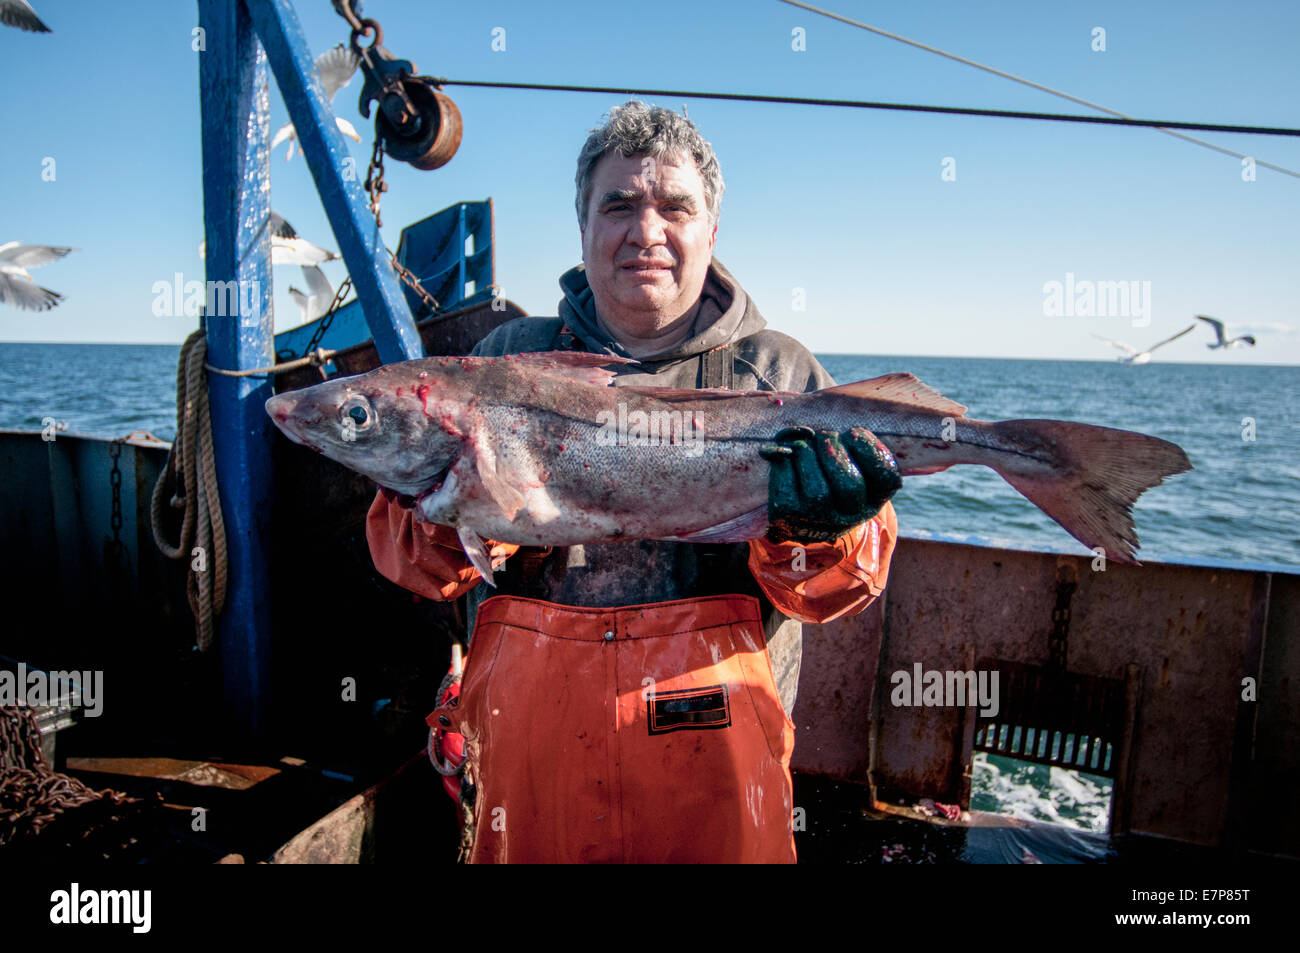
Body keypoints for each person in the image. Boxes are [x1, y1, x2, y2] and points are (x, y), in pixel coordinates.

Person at [367, 101, 901, 863]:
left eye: (674, 207)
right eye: (618, 204)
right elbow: (414, 565)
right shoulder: (503, 361)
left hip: (717, 781)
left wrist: (820, 534)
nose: (646, 230)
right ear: (582, 227)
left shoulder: (779, 374)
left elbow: (828, 592)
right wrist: (455, 514)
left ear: (710, 232)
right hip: (529, 773)